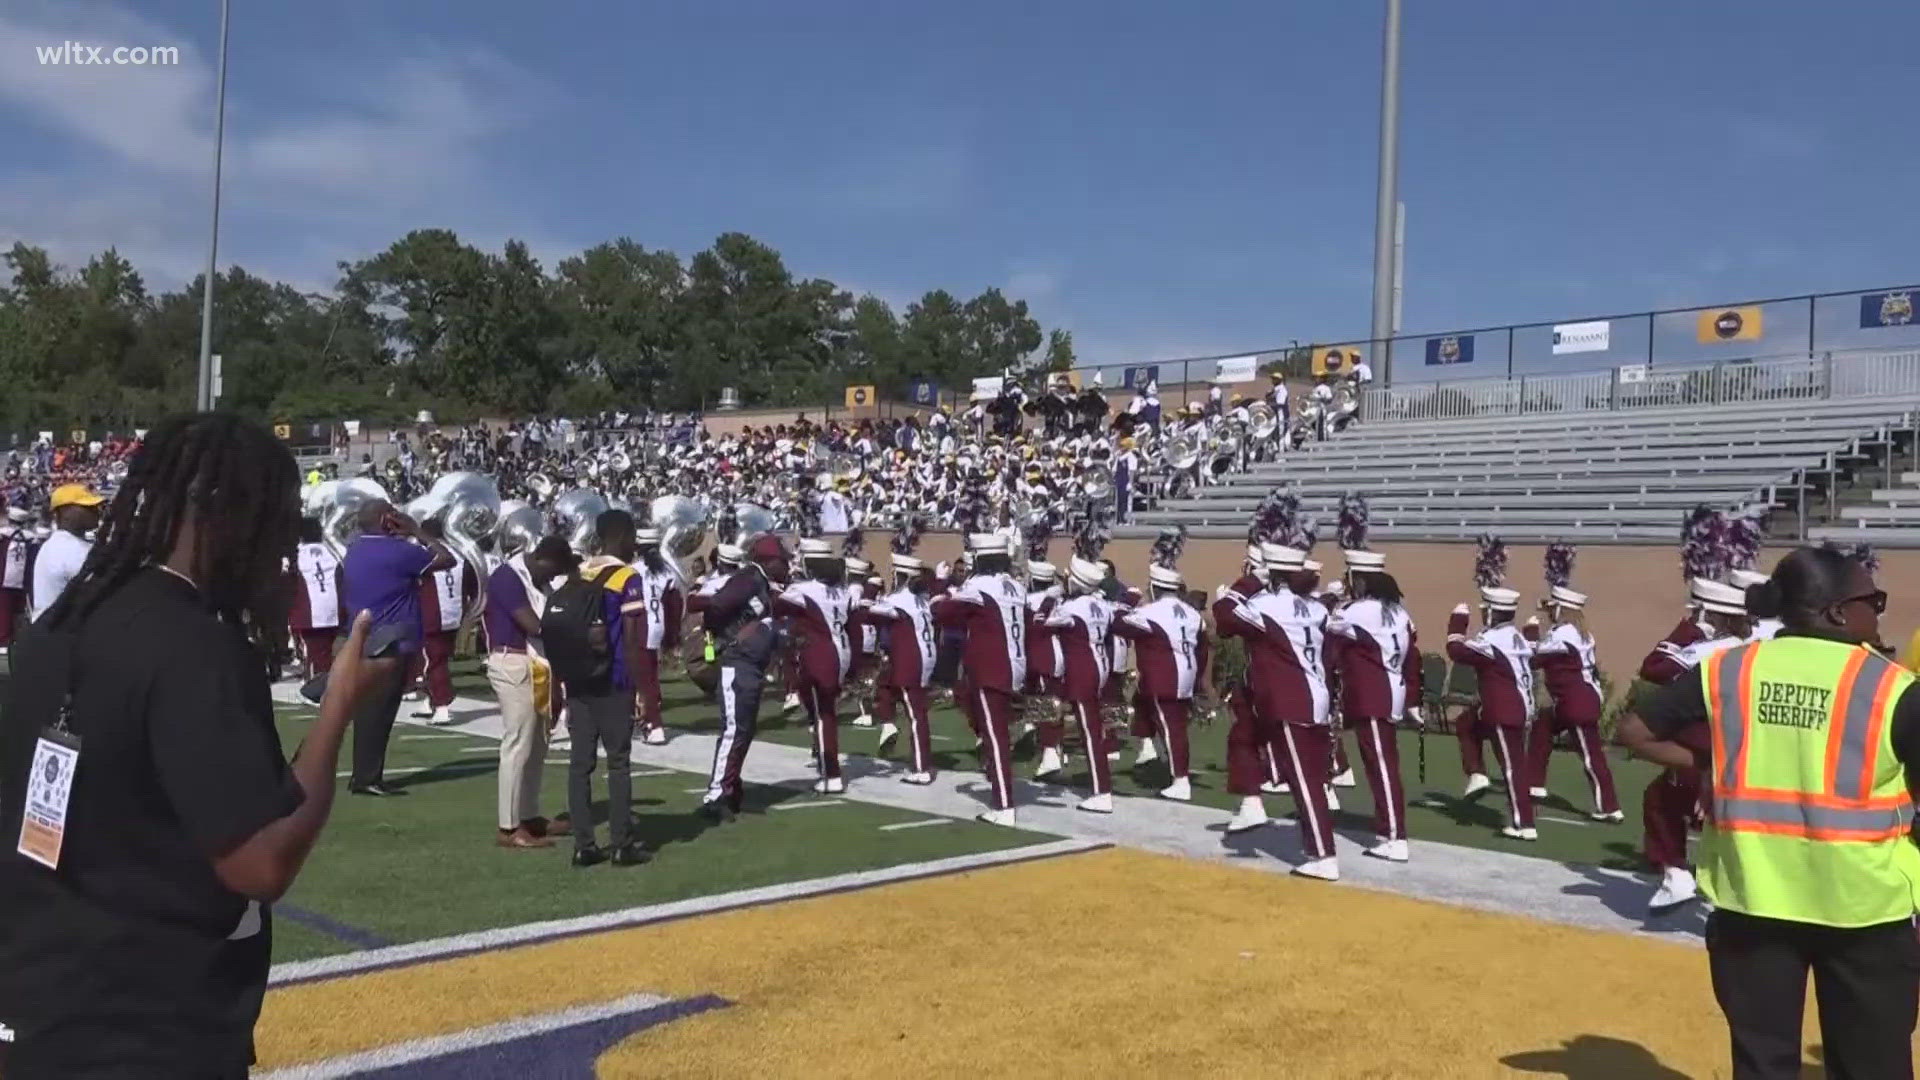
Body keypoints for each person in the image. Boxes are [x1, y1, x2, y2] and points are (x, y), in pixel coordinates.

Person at [0, 412, 394, 1077]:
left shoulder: (57, 627)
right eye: (274, 524)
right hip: (148, 1027)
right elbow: (259, 864)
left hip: (36, 1006)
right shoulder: (196, 649)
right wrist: (338, 709)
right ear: (232, 518)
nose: (279, 552)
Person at [1619, 546, 1920, 1080]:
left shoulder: (1729, 670)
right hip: (1864, 908)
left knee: (1762, 1064)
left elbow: (1636, 731)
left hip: (1752, 900)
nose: (1878, 612)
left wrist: (1713, 767)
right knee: (1872, 1064)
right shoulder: (1891, 687)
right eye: (1871, 600)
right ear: (1834, 612)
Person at [1636, 577, 1753, 913]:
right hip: (1748, 747)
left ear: (1712, 616)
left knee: (1662, 801)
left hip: (1706, 746)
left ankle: (1678, 876)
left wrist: (1685, 630)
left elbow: (1653, 668)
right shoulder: (1759, 644)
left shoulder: (1706, 649)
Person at [339, 499, 453, 796]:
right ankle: (368, 778)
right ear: (385, 518)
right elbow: (446, 557)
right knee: (381, 711)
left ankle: (364, 774)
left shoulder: (354, 548)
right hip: (391, 642)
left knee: (368, 712)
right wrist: (416, 530)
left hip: (364, 638)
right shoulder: (398, 551)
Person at [561, 510, 651, 867]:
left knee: (579, 764)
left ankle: (583, 845)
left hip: (580, 680)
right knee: (618, 763)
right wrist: (641, 687)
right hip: (614, 681)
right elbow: (632, 638)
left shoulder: (580, 573)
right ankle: (621, 843)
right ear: (625, 535)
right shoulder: (628, 577)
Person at [1326, 550, 1420, 862]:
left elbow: (1326, 626)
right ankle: (1389, 830)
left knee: (1381, 767)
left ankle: (1394, 834)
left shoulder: (1358, 611)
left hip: (1372, 695)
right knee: (1383, 765)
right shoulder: (1399, 612)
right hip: (1390, 692)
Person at [484, 536, 575, 850]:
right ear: (543, 559)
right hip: (512, 661)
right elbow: (533, 624)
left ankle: (529, 814)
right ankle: (508, 827)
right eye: (554, 571)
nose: (553, 578)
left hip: (537, 664)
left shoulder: (538, 581)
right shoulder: (508, 576)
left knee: (538, 744)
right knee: (518, 743)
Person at [933, 533, 1029, 826]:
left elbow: (940, 611)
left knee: (995, 736)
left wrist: (941, 584)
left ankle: (1003, 805)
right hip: (1015, 666)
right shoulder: (1016, 586)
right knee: (993, 732)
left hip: (991, 667)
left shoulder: (979, 585)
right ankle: (999, 783)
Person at [693, 539, 784, 821]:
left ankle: (731, 790)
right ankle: (715, 795)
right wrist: (724, 636)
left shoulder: (759, 581)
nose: (788, 564)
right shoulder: (749, 579)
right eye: (783, 559)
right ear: (770, 560)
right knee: (735, 730)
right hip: (738, 662)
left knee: (743, 730)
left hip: (749, 664)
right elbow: (717, 606)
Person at [1523, 586, 1622, 822]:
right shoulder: (1580, 632)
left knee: (1590, 755)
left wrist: (1529, 632)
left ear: (1561, 609)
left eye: (1553, 608)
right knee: (1543, 724)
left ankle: (1609, 807)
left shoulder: (1565, 633)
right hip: (1580, 697)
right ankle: (1534, 783)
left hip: (1576, 700)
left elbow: (1535, 658)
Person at [1445, 585, 1537, 840]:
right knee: (1466, 723)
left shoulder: (1495, 639)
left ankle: (1524, 823)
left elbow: (1457, 652)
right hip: (1511, 705)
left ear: (1492, 613)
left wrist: (1457, 623)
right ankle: (1477, 773)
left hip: (1504, 709)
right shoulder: (1515, 636)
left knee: (1512, 767)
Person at [1114, 561, 1208, 802]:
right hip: (1185, 676)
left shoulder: (1151, 612)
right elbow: (1203, 649)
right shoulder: (1192, 613)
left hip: (1164, 678)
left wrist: (1128, 601)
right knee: (1151, 712)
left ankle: (1180, 780)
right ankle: (1149, 752)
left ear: (1155, 587)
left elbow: (1118, 624)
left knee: (1172, 730)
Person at [861, 544, 938, 784]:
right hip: (924, 658)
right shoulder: (922, 601)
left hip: (910, 661)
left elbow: (868, 613)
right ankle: (888, 724)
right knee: (887, 689)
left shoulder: (900, 600)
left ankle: (921, 768)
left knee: (916, 716)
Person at [1047, 556, 1118, 813]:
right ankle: (1101, 788)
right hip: (1099, 668)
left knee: (1089, 733)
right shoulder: (1101, 606)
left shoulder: (1072, 608)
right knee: (1092, 730)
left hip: (1082, 672)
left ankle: (1102, 791)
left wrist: (1049, 598)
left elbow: (1040, 622)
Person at [409, 519, 470, 727]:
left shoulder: (426, 554)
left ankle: (442, 705)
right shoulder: (459, 553)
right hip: (453, 613)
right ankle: (430, 700)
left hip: (432, 614)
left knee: (433, 661)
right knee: (436, 658)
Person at [629, 525, 684, 747]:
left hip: (639, 627)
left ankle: (653, 724)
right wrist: (672, 638)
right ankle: (645, 714)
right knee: (649, 675)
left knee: (644, 679)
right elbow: (674, 606)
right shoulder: (668, 572)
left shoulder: (632, 570)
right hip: (658, 625)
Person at [27, 483, 103, 622]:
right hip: (59, 632)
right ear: (65, 512)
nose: (96, 511)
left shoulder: (59, 542)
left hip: (48, 629)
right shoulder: (70, 548)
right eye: (87, 508)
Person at [286, 517, 342, 679]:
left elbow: (289, 582)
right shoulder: (332, 552)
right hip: (333, 609)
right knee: (327, 653)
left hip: (309, 613)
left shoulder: (297, 555)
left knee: (312, 654)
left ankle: (314, 689)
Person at [0, 506, 31, 654]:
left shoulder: (3, 536)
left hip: (3, 583)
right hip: (23, 583)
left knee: (4, 620)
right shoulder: (31, 538)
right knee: (18, 616)